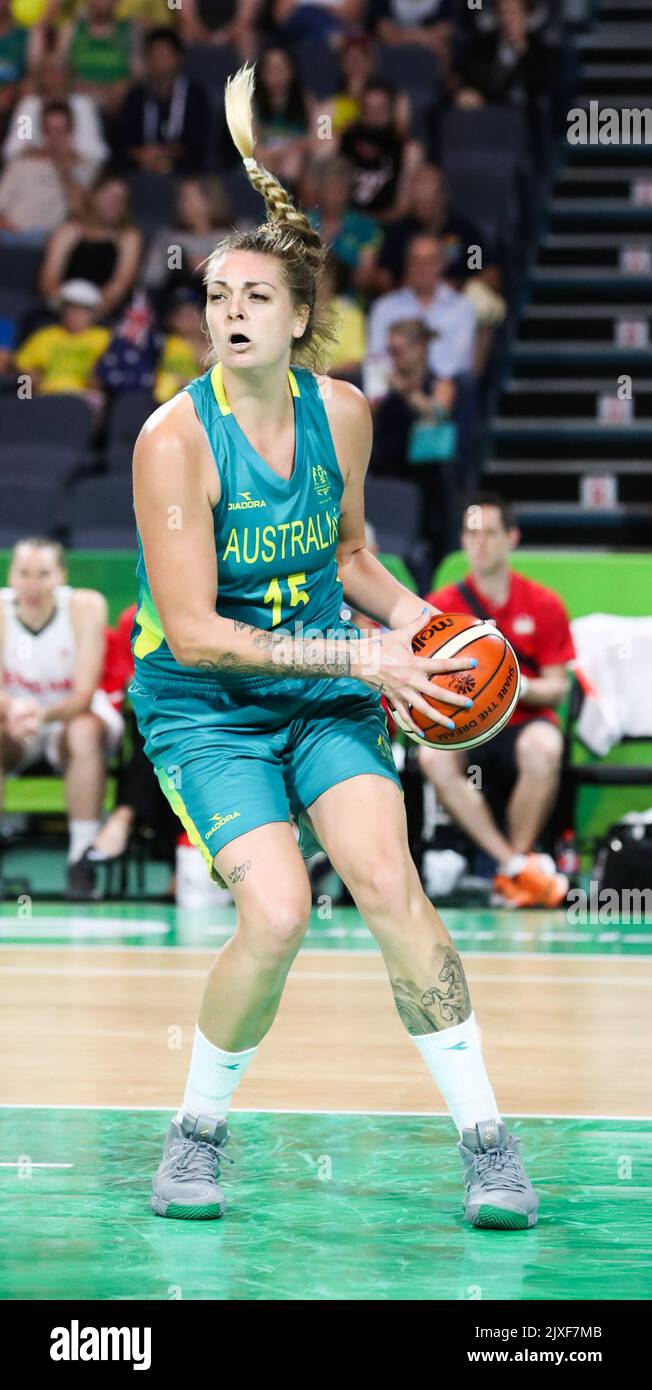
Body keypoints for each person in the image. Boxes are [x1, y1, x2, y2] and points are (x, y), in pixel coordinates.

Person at [131, 62, 539, 1230]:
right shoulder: (174, 442)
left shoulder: (344, 413)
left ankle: (486, 1141)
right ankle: (197, 1132)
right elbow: (202, 635)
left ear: (300, 316)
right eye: (216, 296)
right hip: (205, 700)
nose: (232, 312)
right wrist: (367, 658)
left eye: (254, 295)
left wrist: (427, 625)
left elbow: (356, 557)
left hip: (322, 682)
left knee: (388, 883)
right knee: (276, 913)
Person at [420, 493, 574, 908]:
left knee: (545, 747)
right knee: (432, 758)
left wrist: (512, 686)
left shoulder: (544, 604)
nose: (480, 542)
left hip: (522, 721)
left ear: (511, 538)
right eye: (471, 533)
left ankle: (516, 863)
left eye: (490, 533)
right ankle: (514, 867)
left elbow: (558, 686)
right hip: (467, 723)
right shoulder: (440, 608)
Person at [0, 538, 122, 899]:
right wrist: (13, 710)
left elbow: (83, 694)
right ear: (11, 575)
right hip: (15, 724)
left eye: (43, 574)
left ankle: (80, 859)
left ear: (62, 576)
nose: (32, 585)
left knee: (84, 732)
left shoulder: (84, 606)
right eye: (23, 573)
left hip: (71, 718)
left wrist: (41, 713)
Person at [364, 232, 476, 399]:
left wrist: (418, 379)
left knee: (464, 382)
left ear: (442, 263)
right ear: (407, 264)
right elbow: (376, 355)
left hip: (443, 388)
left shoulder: (462, 308)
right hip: (394, 387)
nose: (423, 267)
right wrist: (401, 381)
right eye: (416, 261)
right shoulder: (384, 307)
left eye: (430, 261)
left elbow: (459, 361)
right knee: (372, 384)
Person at [39, 171, 143, 315]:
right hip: (63, 305)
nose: (114, 204)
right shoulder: (67, 231)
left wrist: (90, 310)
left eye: (120, 199)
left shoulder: (128, 237)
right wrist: (68, 308)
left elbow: (120, 284)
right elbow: (49, 278)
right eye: (109, 197)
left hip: (104, 309)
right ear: (93, 196)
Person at [0, 100, 96, 244]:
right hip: (9, 235)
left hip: (46, 241)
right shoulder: (23, 162)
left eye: (61, 131)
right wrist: (7, 227)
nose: (55, 138)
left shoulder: (85, 169)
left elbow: (81, 213)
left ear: (71, 132)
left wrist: (64, 170)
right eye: (49, 131)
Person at [119, 26, 211, 175]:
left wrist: (164, 155)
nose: (158, 62)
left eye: (164, 56)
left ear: (178, 58)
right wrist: (144, 156)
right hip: (141, 171)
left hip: (185, 172)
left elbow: (198, 145)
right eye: (153, 55)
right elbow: (125, 143)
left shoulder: (194, 96)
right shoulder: (135, 96)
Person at [14, 278, 110, 395]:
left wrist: (99, 382)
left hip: (84, 399)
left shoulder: (104, 338)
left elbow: (110, 374)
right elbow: (21, 369)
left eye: (83, 309)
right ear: (61, 309)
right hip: (46, 396)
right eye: (71, 308)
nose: (76, 314)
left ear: (94, 313)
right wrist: (27, 389)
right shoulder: (44, 336)